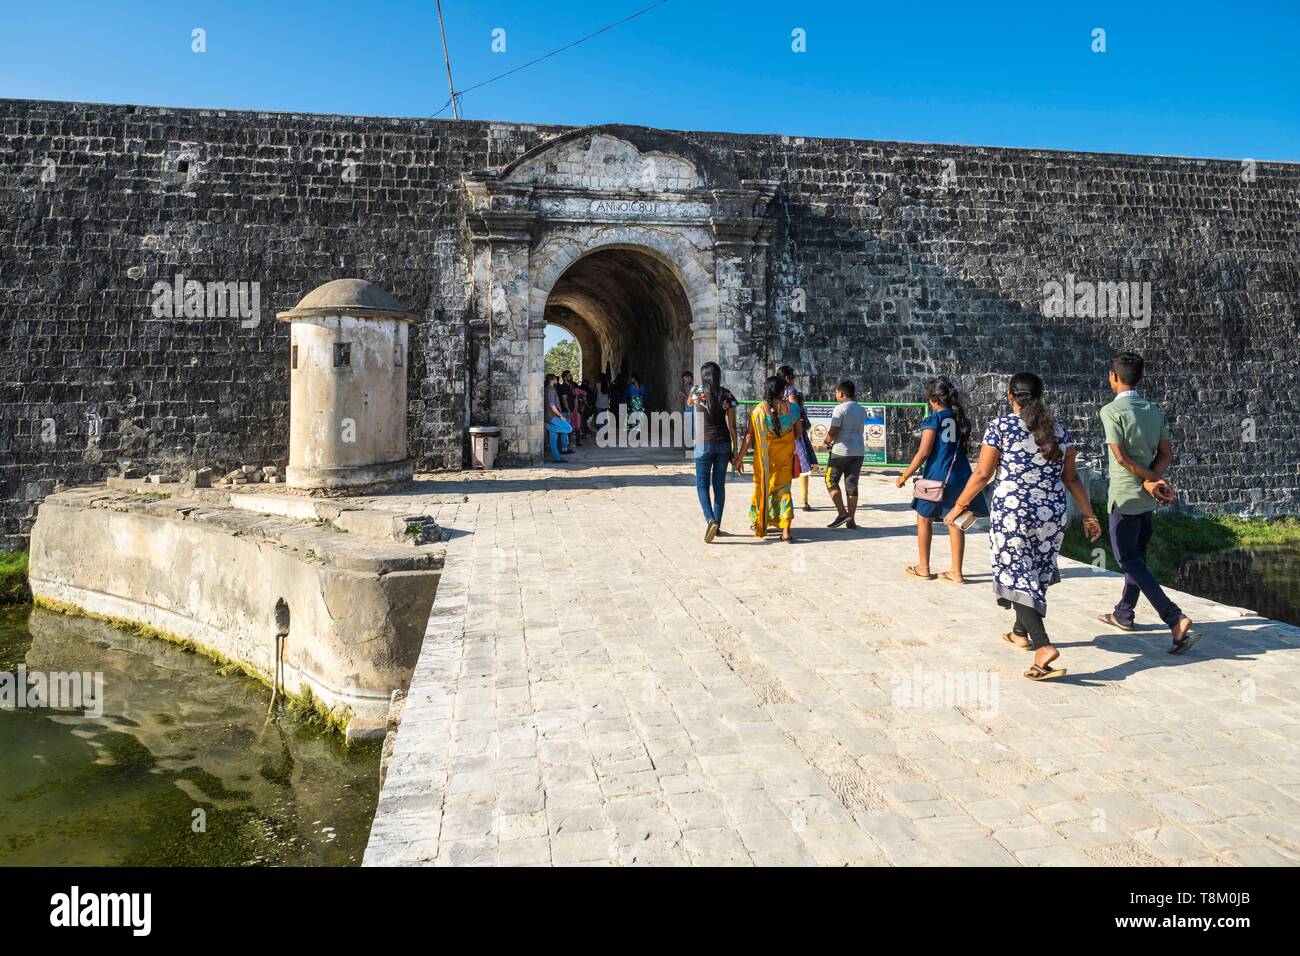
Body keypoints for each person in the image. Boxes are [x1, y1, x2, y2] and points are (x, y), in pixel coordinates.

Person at [946, 372, 1100, 680]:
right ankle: (1020, 632)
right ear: (1040, 396)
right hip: (1052, 514)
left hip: (1013, 514)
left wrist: (959, 506)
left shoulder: (1001, 427)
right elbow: (1071, 478)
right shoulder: (1059, 430)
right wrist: (1089, 516)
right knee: (1034, 571)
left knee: (1017, 574)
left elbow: (982, 475)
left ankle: (1043, 647)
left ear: (1010, 397)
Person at [1096, 352, 1198, 653]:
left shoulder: (1111, 412)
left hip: (1125, 498)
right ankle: (1123, 614)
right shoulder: (1153, 410)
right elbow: (1167, 454)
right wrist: (1154, 480)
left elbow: (1121, 458)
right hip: (1147, 499)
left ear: (1113, 377)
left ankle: (1174, 617)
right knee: (1137, 558)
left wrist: (1148, 479)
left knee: (1127, 560)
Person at [895, 376, 987, 582]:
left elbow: (924, 452)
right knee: (954, 520)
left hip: (937, 474)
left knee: (923, 518)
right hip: (961, 475)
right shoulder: (962, 420)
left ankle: (924, 567)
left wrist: (904, 475)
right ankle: (956, 572)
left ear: (933, 400)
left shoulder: (934, 420)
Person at [736, 375, 803, 543]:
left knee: (762, 487)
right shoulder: (793, 409)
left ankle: (760, 521)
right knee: (784, 490)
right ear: (782, 391)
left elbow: (749, 436)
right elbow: (799, 432)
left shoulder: (758, 411)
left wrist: (739, 457)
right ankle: (786, 529)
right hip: (785, 457)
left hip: (764, 459)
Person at [687, 362, 738, 542]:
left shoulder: (696, 392)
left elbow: (688, 402)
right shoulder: (727, 395)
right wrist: (736, 450)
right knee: (719, 486)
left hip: (703, 444)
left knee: (702, 484)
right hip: (723, 444)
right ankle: (717, 525)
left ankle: (710, 520)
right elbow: (732, 426)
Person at [822, 379, 866, 530]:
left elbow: (834, 429)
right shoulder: (861, 409)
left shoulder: (840, 409)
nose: (835, 395)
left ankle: (842, 513)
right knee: (852, 485)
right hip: (858, 451)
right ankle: (851, 520)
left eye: (836, 392)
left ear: (841, 393)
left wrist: (826, 442)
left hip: (840, 451)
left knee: (830, 480)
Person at [778, 366, 819, 511]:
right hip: (795, 431)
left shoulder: (775, 391)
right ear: (789, 378)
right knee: (802, 466)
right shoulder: (790, 390)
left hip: (780, 431)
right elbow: (794, 408)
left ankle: (783, 499)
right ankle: (804, 500)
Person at [543, 373, 574, 462]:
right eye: (555, 379)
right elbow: (551, 405)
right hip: (553, 416)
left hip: (548, 416)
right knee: (568, 428)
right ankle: (550, 427)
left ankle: (556, 458)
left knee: (553, 439)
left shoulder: (547, 389)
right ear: (552, 380)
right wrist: (560, 416)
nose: (557, 380)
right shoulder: (551, 389)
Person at [563, 370, 585, 446]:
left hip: (576, 410)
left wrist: (582, 398)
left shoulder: (575, 390)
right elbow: (564, 399)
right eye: (569, 375)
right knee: (569, 426)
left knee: (577, 426)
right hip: (570, 410)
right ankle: (568, 442)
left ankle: (577, 442)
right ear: (565, 378)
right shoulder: (564, 388)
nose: (571, 376)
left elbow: (584, 393)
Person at [680, 370, 696, 459]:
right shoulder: (689, 387)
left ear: (690, 378)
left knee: (693, 427)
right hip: (688, 409)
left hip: (692, 409)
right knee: (689, 426)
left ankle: (692, 445)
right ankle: (690, 444)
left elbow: (692, 400)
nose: (685, 382)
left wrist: (684, 396)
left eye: (686, 380)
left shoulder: (694, 387)